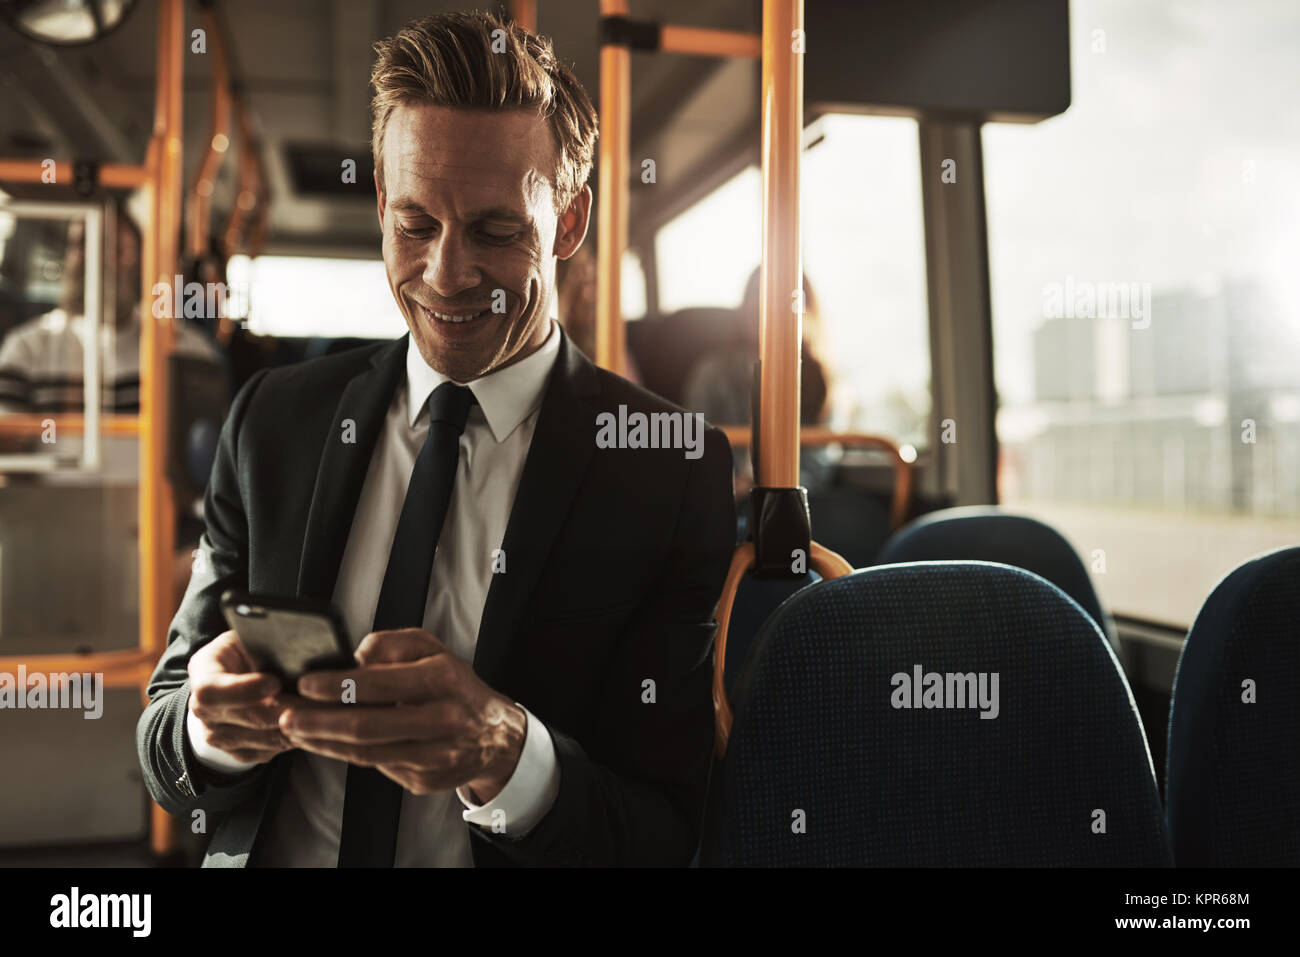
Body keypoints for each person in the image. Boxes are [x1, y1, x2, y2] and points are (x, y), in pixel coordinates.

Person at [136, 11, 736, 867]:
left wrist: (509, 757)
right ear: (381, 204)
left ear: (569, 222)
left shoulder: (667, 468)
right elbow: (163, 743)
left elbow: (668, 836)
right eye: (415, 225)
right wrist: (208, 728)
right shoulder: (272, 421)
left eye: (495, 231)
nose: (447, 275)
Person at [0, 203, 222, 416]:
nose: (95, 256)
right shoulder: (26, 349)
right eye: (82, 242)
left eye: (115, 247)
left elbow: (203, 442)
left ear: (138, 260)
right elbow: (9, 442)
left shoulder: (185, 349)